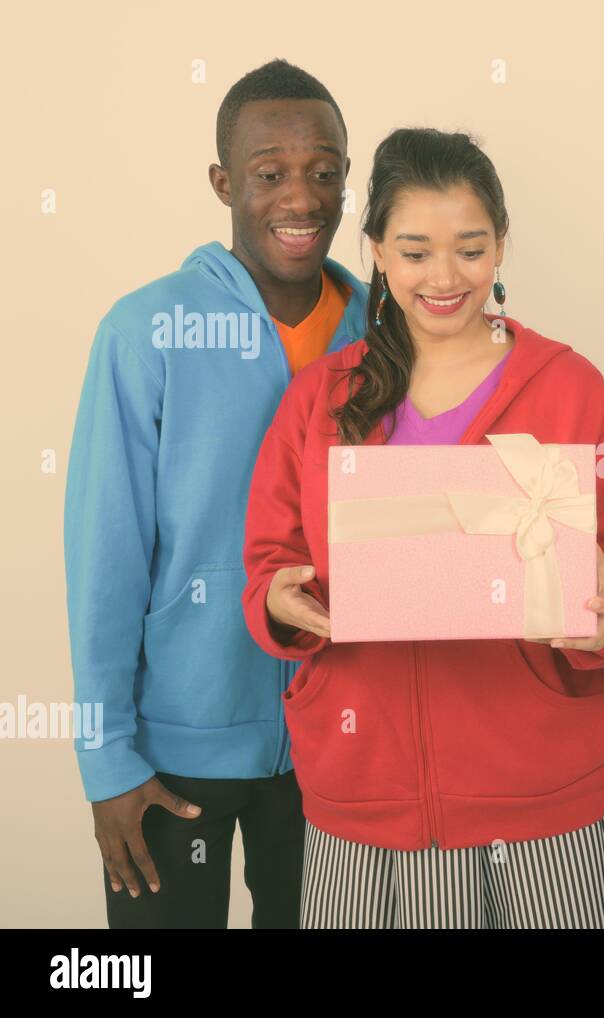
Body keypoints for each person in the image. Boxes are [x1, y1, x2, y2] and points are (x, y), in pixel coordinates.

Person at [241, 127, 604, 929]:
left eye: (470, 250)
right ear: (373, 251)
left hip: (548, 805)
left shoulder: (571, 388)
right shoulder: (319, 400)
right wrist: (279, 602)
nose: (444, 278)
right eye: (414, 251)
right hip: (366, 812)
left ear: (501, 246)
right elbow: (269, 561)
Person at [65, 59, 368, 928]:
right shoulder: (146, 330)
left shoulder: (383, 331)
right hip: (173, 752)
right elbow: (104, 557)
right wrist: (107, 757)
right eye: (271, 174)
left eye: (325, 170)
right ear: (224, 182)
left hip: (336, 746)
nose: (301, 197)